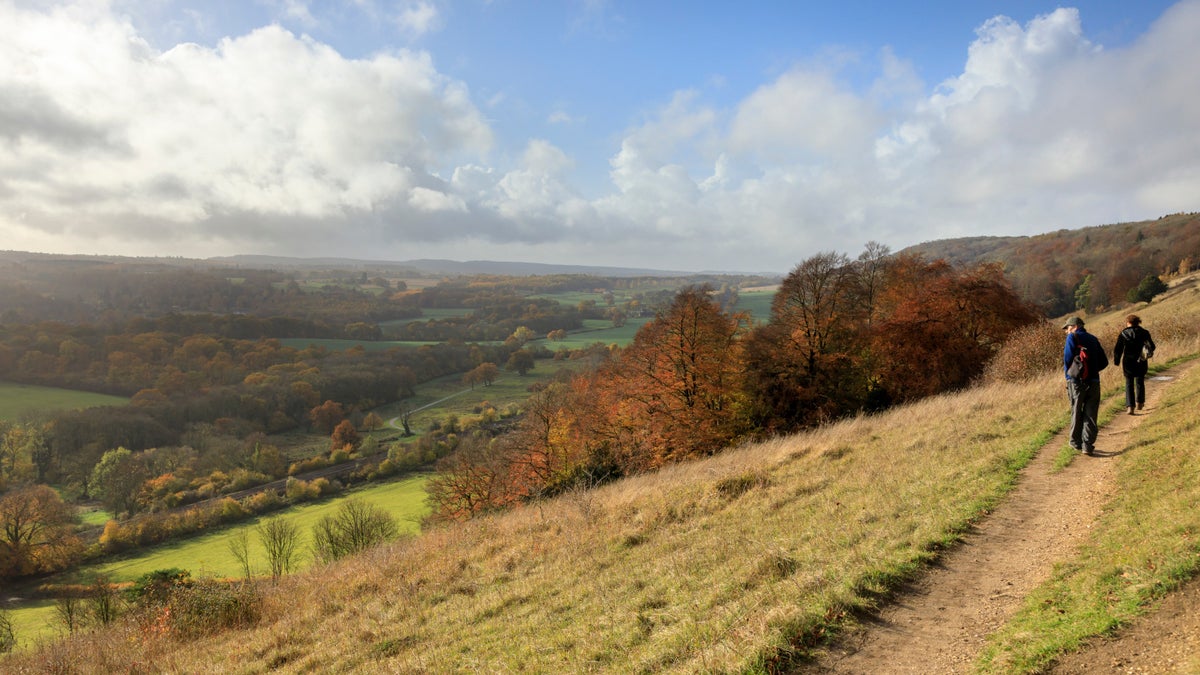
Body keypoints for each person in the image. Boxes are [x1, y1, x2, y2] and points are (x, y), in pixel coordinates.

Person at [1062, 316, 1108, 455]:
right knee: (1091, 413)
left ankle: (1075, 442)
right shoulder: (1093, 339)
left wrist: (1069, 376)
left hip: (1076, 382)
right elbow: (1104, 361)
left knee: (1076, 410)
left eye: (1068, 328)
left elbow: (1067, 359)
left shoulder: (1072, 337)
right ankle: (1087, 445)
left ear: (1075, 326)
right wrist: (1092, 371)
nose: (1067, 331)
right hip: (1094, 381)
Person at [1113, 314, 1156, 415]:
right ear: (1138, 322)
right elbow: (1152, 346)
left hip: (1128, 361)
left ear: (1128, 322)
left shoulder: (1123, 333)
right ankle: (1140, 403)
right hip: (1141, 360)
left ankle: (1130, 407)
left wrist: (1117, 361)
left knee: (1129, 383)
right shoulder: (1144, 332)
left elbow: (1118, 349)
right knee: (1140, 381)